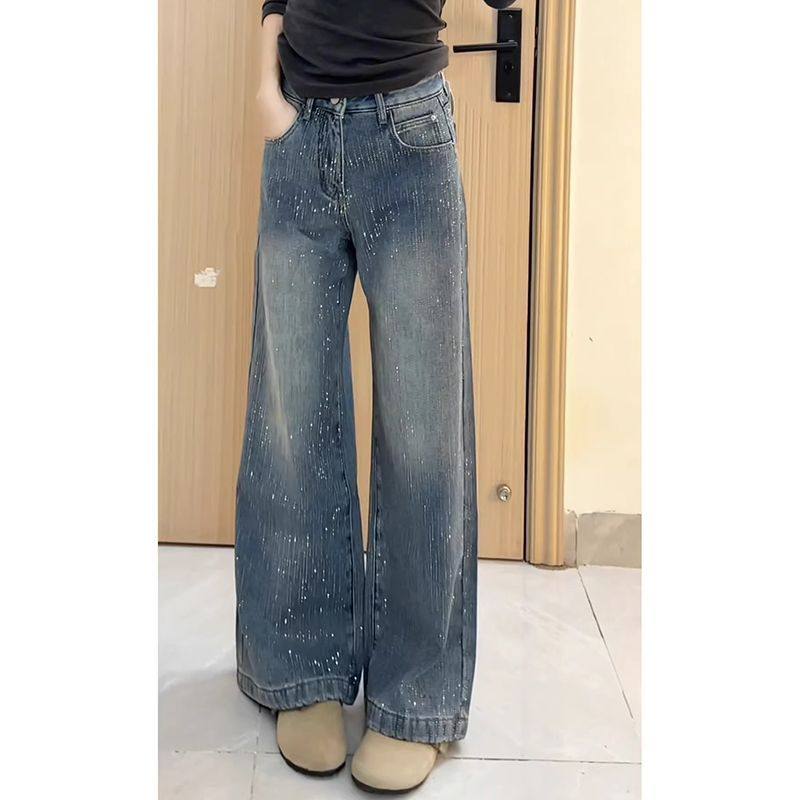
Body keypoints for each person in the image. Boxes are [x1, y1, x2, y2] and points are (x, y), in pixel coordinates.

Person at [235, 1, 478, 792]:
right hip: (298, 133)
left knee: (423, 429)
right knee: (292, 417)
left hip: (409, 133)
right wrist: (266, 77)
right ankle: (299, 671)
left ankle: (416, 700)